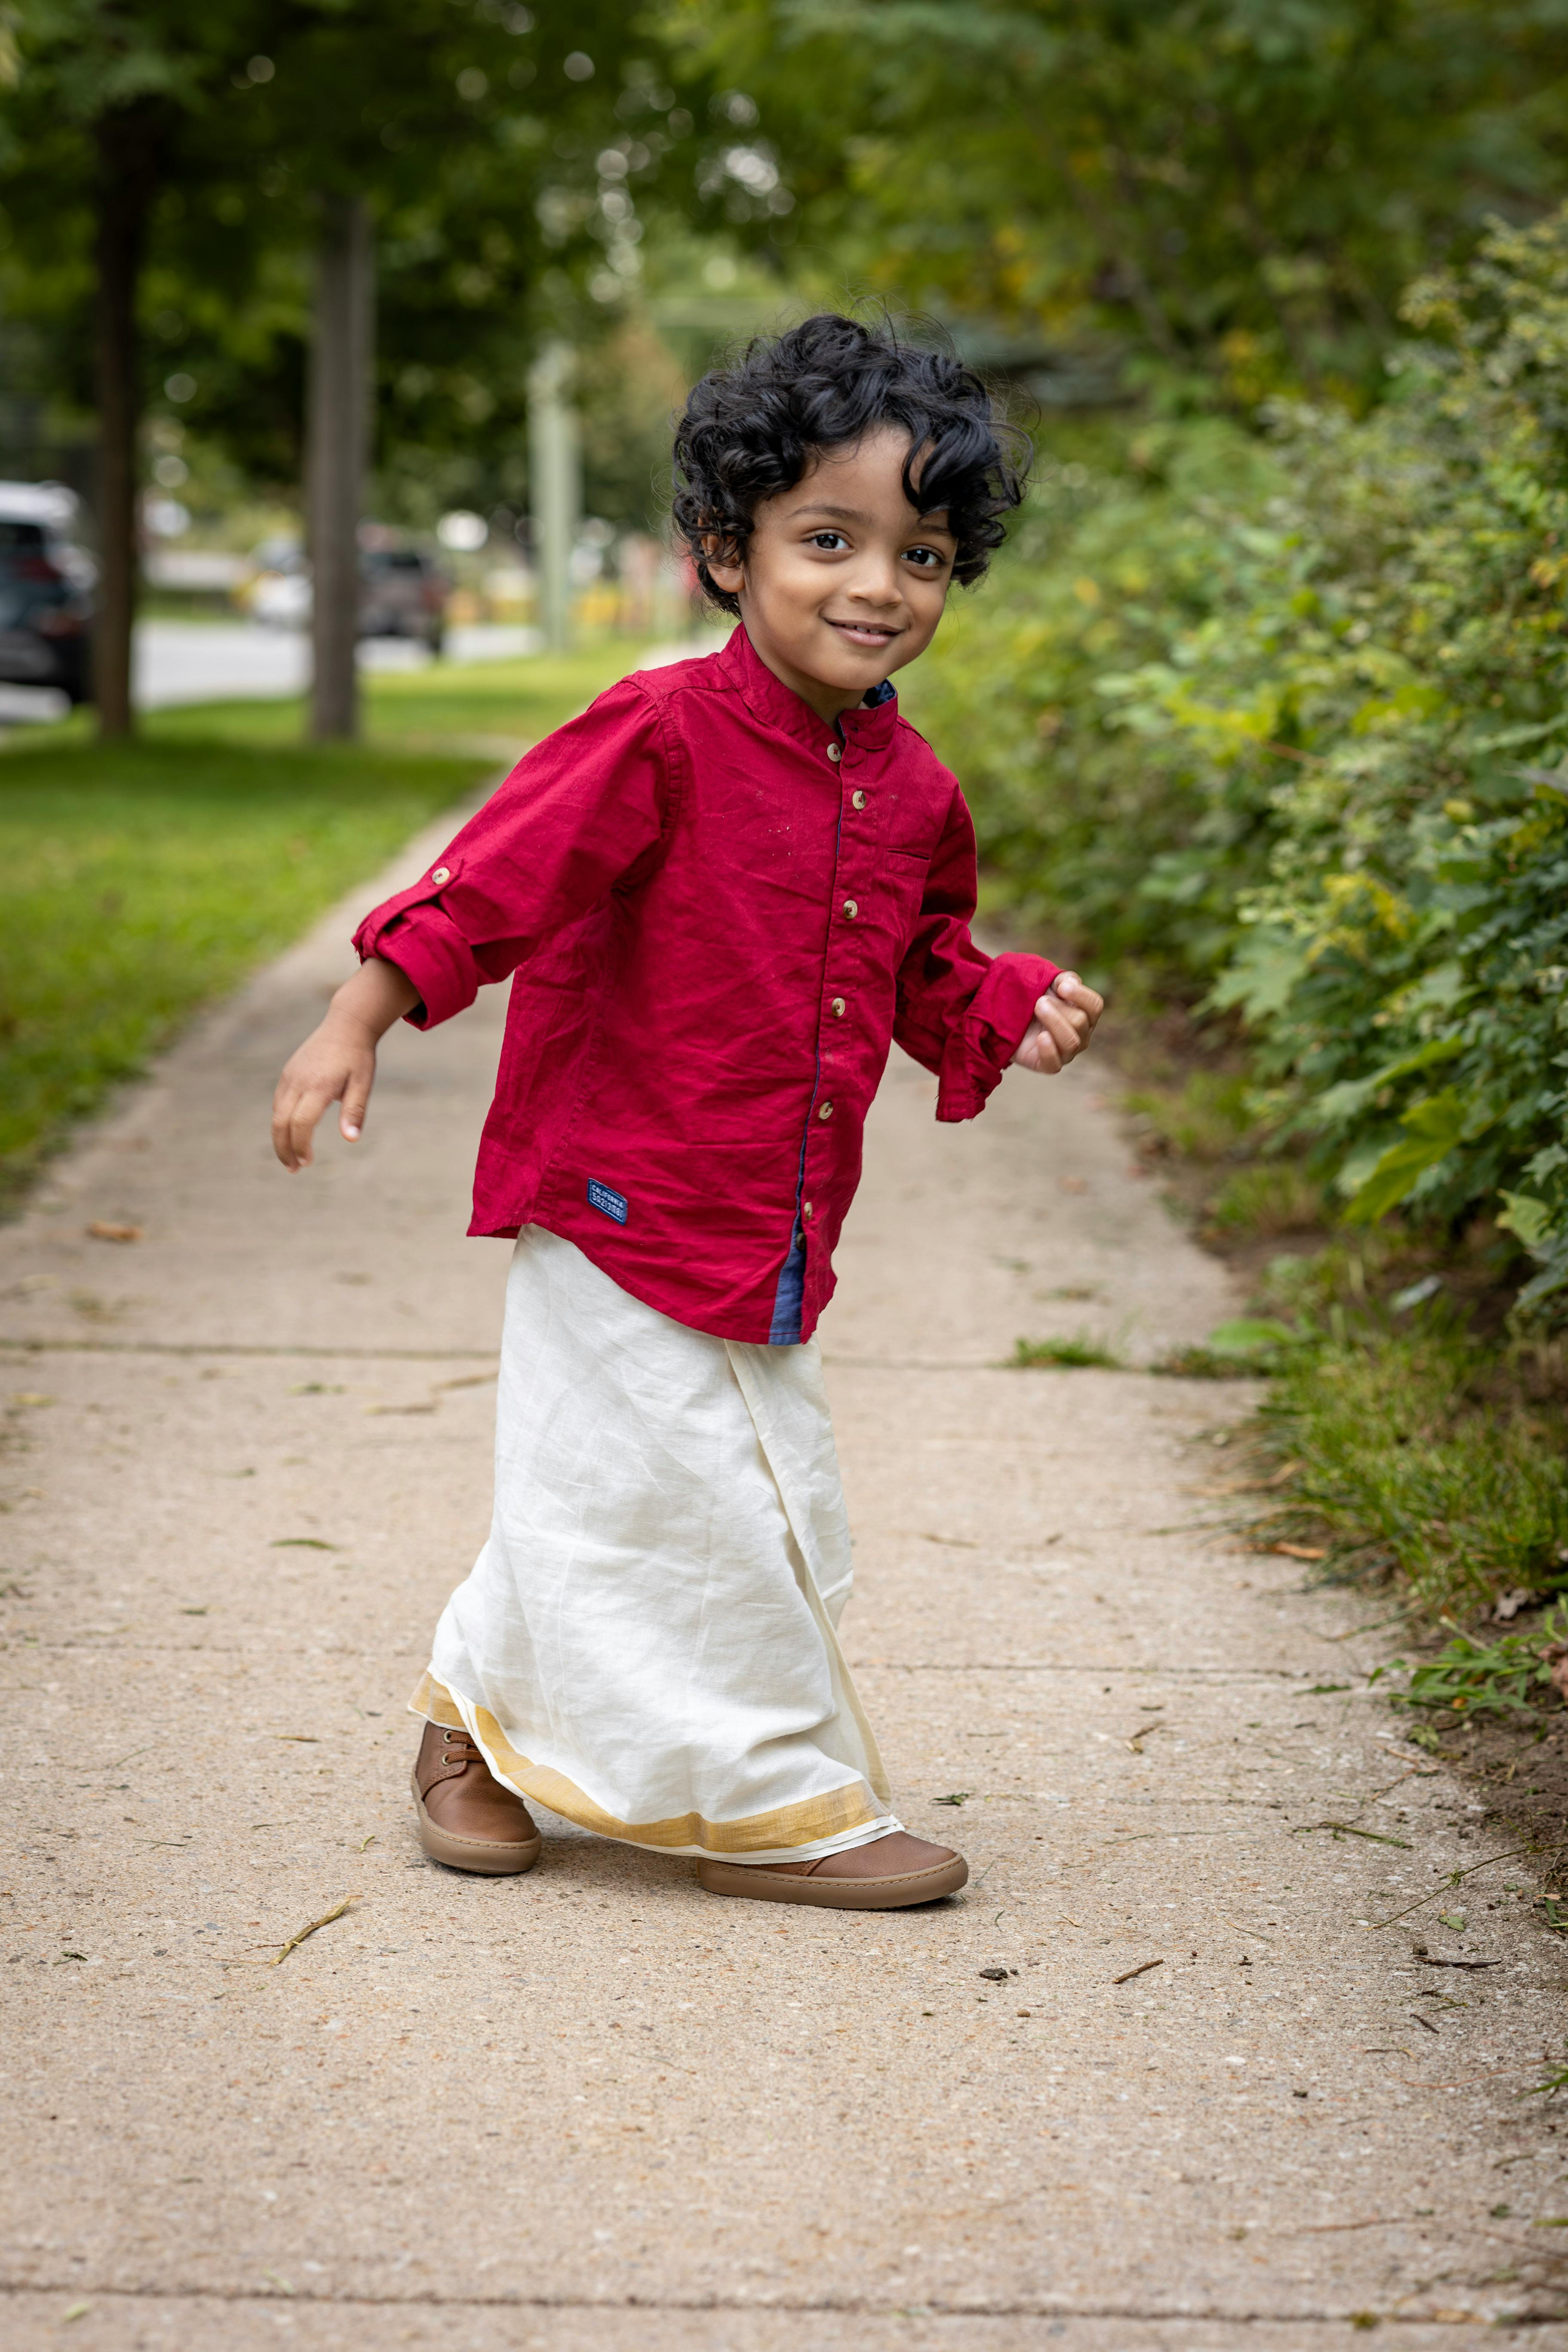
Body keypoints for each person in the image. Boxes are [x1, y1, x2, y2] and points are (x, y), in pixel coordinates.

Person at [270, 314, 1103, 1911]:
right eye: (829, 539)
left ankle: (472, 1727)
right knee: (710, 1501)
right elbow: (494, 887)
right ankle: (774, 1801)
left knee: (621, 1492)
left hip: (772, 1214)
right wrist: (359, 1010)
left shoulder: (917, 791)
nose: (878, 585)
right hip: (617, 1190)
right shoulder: (656, 734)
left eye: (922, 553)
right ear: (727, 551)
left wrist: (1002, 1004)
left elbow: (921, 966)